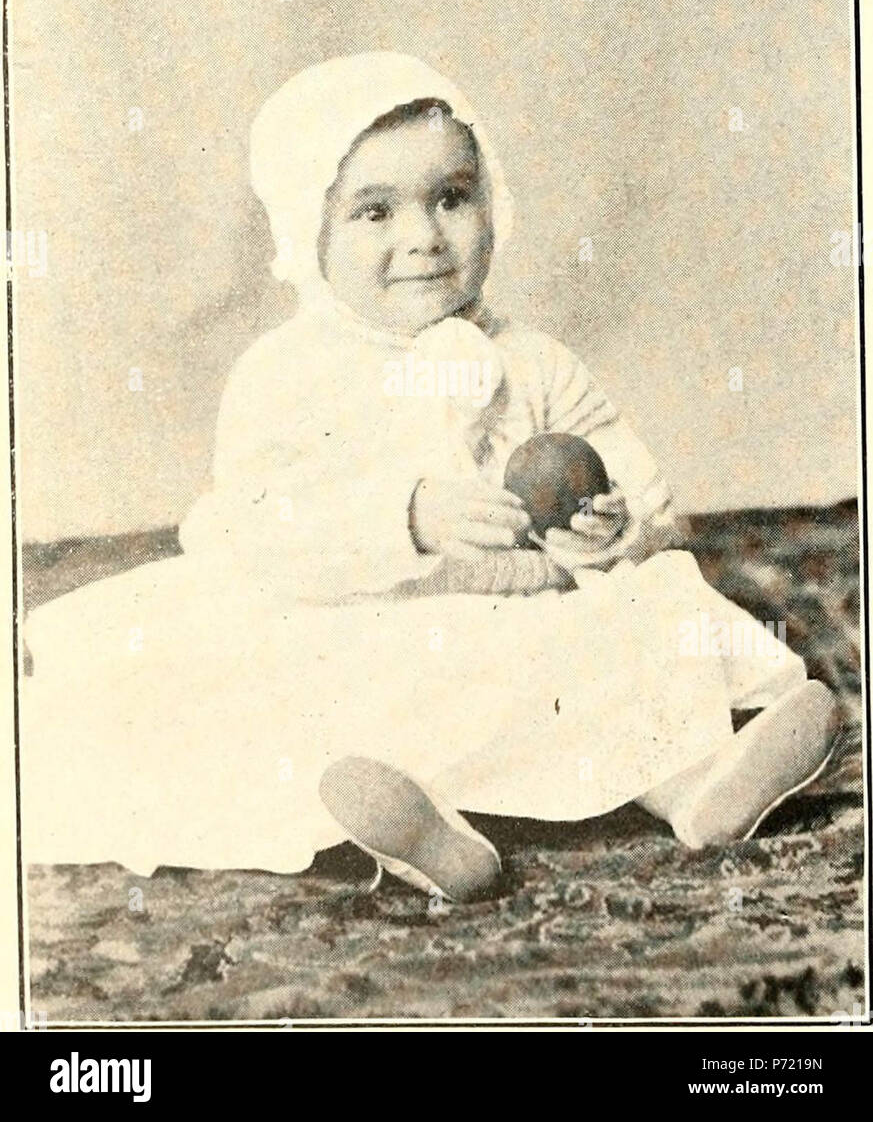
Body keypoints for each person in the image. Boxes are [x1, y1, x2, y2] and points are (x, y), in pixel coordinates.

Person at [21, 52, 840, 902]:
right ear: (311, 231)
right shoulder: (288, 375)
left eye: (451, 198)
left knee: (640, 615)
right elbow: (256, 526)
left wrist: (613, 521)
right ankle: (429, 832)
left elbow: (618, 459)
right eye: (374, 211)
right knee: (316, 684)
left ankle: (697, 786)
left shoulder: (533, 361)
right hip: (367, 619)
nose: (423, 236)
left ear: (493, 205)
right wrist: (403, 520)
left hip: (532, 610)